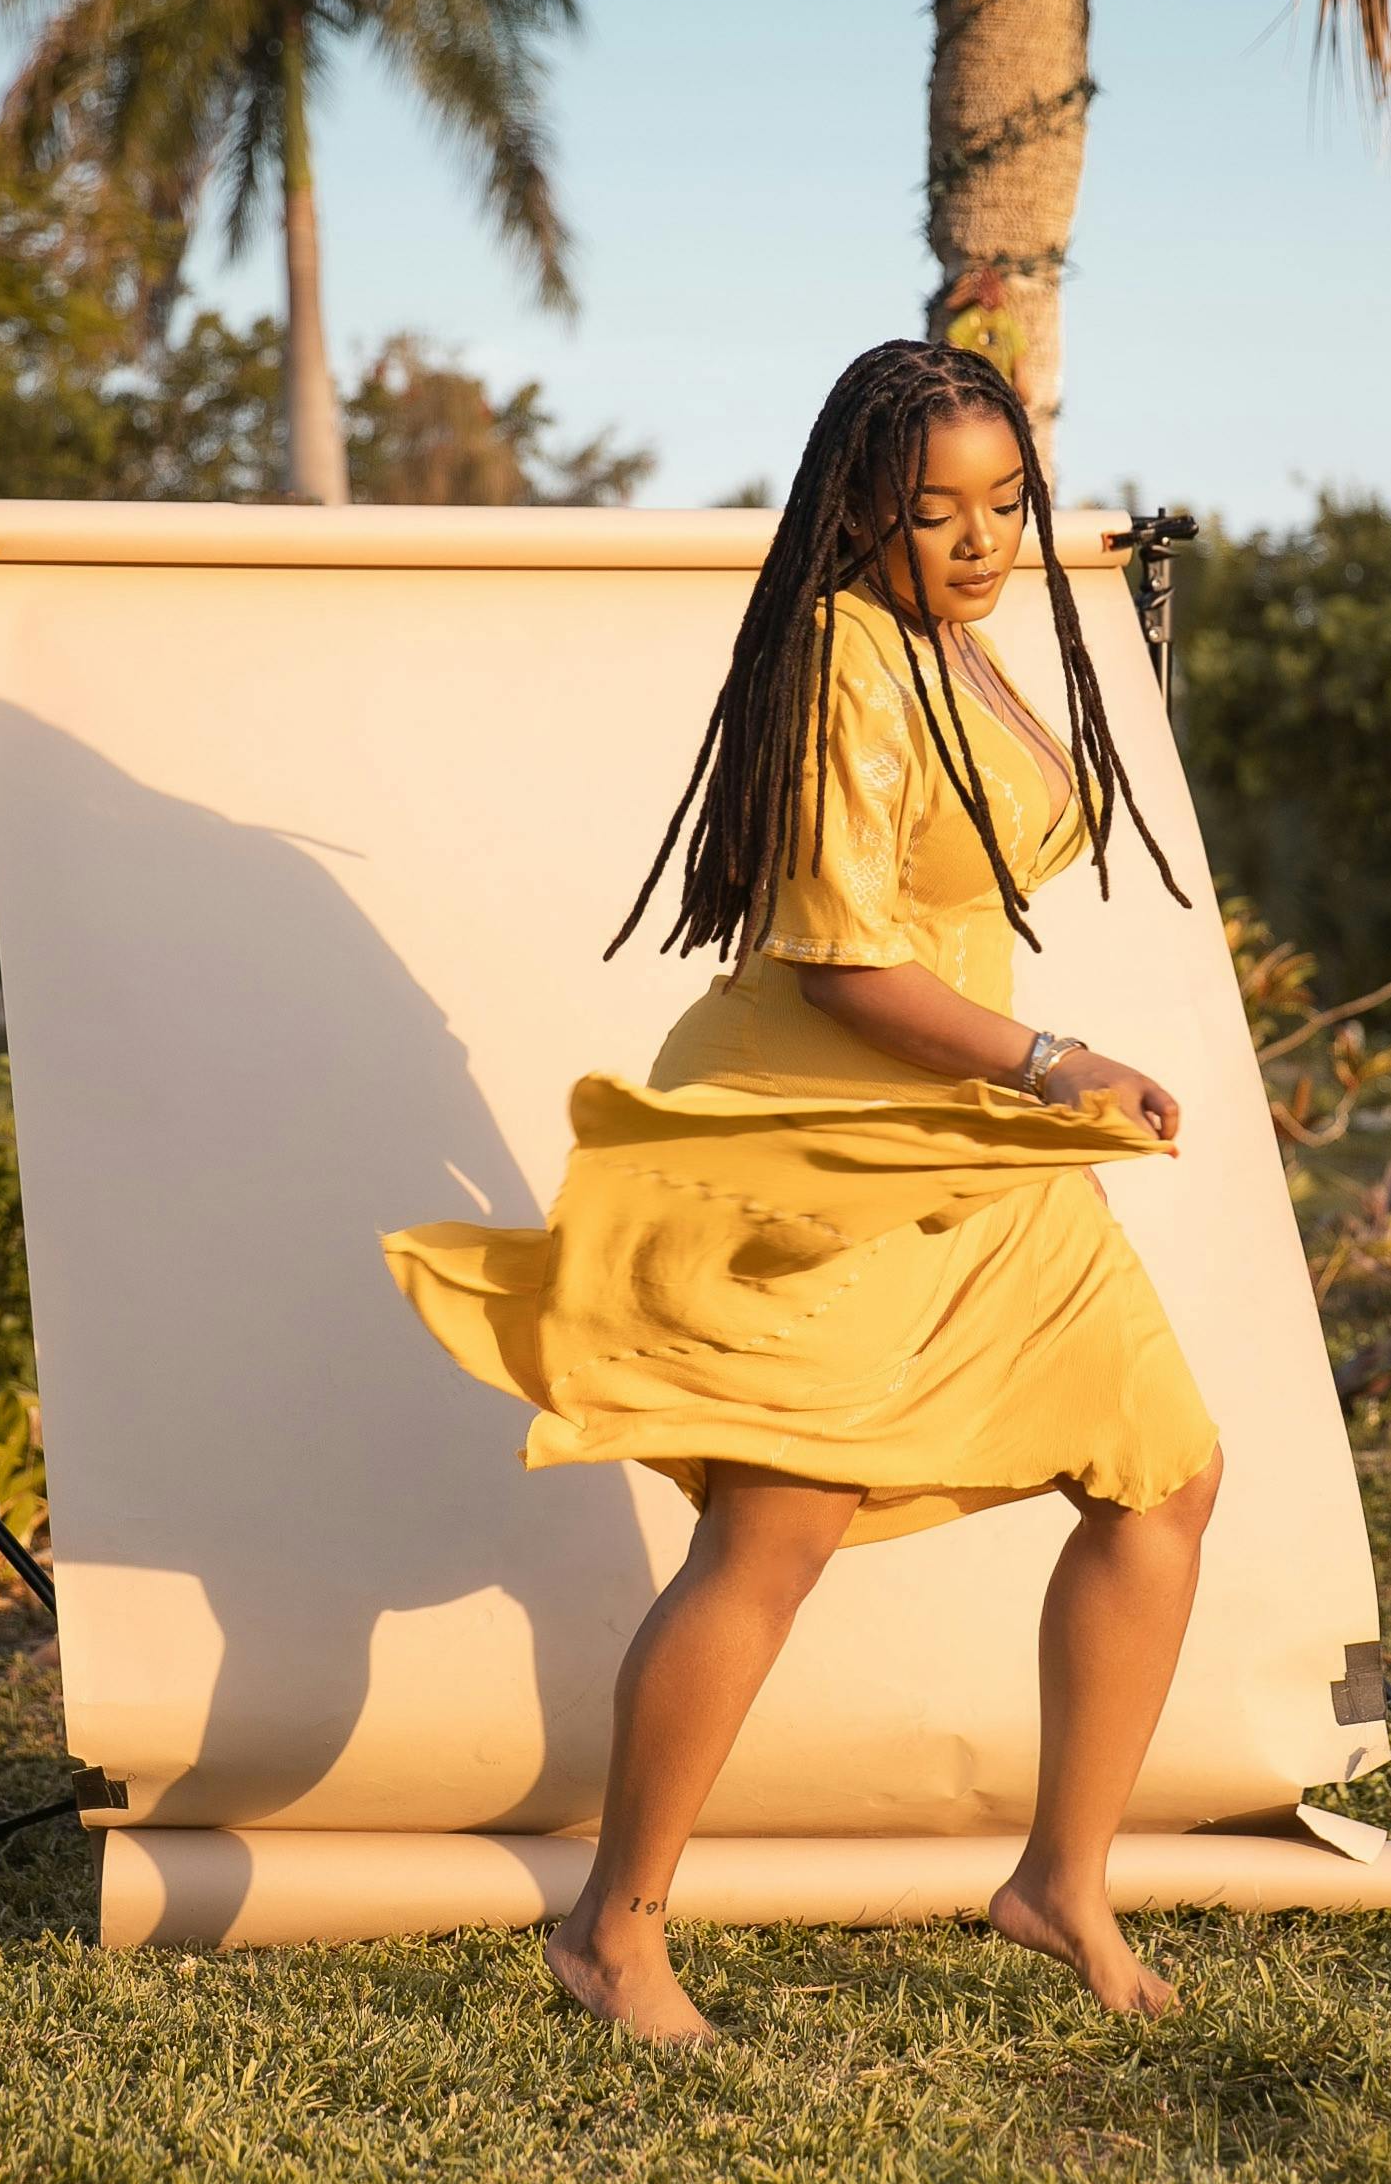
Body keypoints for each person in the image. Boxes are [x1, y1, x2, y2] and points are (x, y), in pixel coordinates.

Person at [382, 338, 1222, 2042]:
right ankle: (611, 1933)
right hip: (839, 1141)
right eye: (936, 512)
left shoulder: (969, 645)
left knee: (1165, 1483)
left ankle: (1059, 1882)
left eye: (1006, 502)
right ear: (858, 516)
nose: (983, 542)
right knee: (774, 1539)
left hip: (979, 1156)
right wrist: (1056, 1058)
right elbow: (839, 962)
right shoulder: (844, 657)